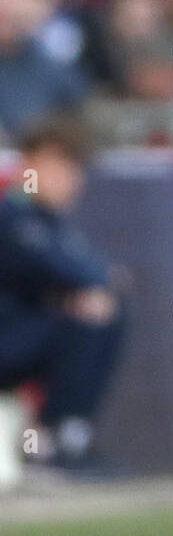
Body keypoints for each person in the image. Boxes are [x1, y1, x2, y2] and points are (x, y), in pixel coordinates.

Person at [0, 117, 125, 472]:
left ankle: (65, 436)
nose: (69, 179)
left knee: (100, 311)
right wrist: (90, 289)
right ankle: (56, 439)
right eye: (58, 167)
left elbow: (99, 276)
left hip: (17, 338)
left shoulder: (47, 221)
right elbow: (83, 272)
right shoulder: (12, 215)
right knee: (92, 320)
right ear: (29, 163)